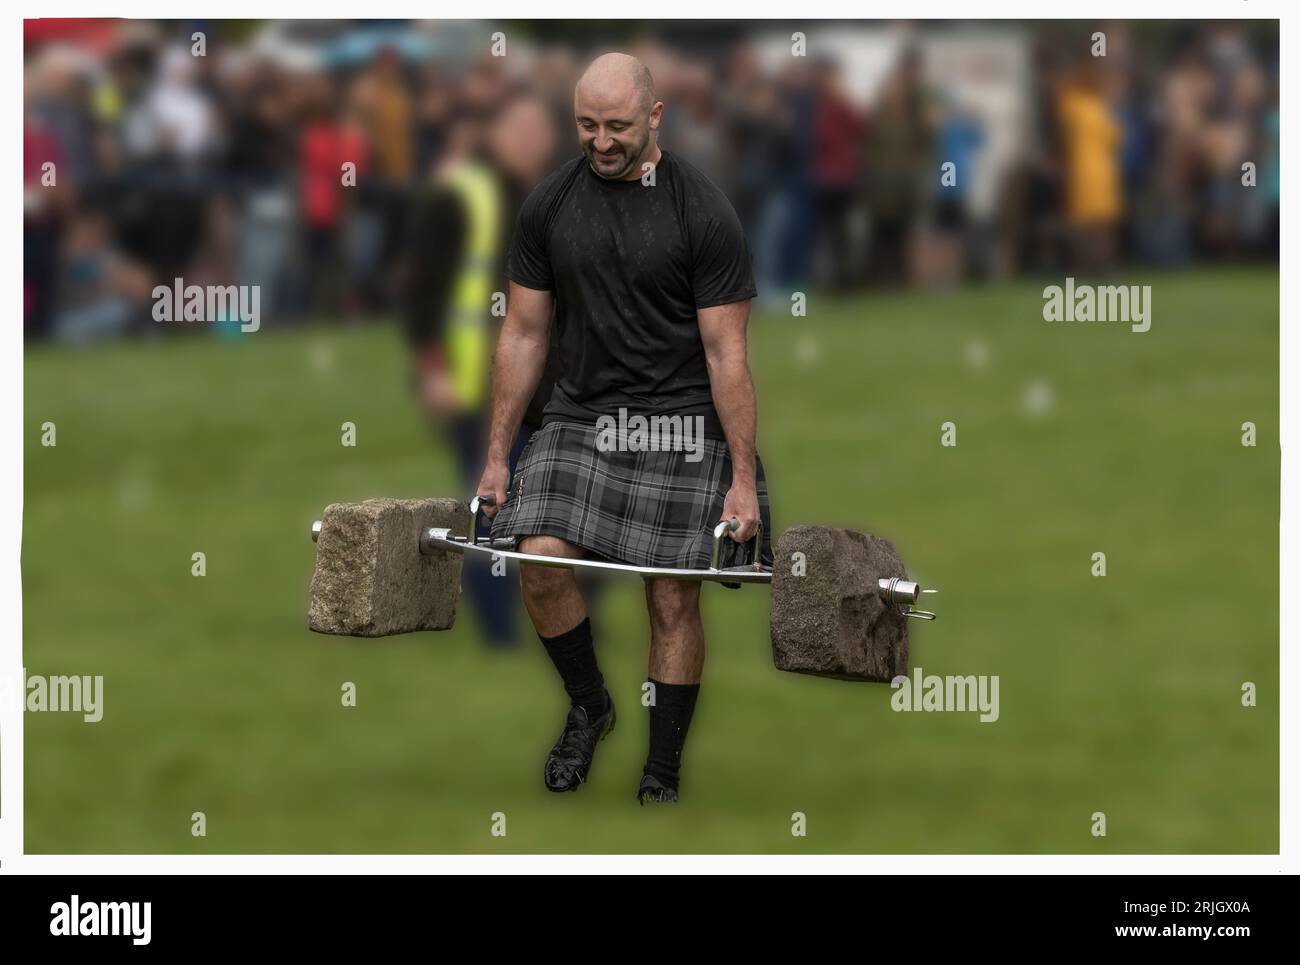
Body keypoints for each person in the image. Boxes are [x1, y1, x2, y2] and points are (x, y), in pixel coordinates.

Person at [476, 52, 772, 804]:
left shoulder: (701, 212)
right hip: (580, 417)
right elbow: (522, 334)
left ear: (655, 118)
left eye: (616, 126)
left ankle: (661, 774)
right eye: (585, 125)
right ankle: (590, 704)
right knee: (537, 560)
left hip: (682, 425)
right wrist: (497, 455)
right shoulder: (549, 206)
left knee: (672, 598)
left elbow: (725, 351)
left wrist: (742, 478)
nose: (601, 141)